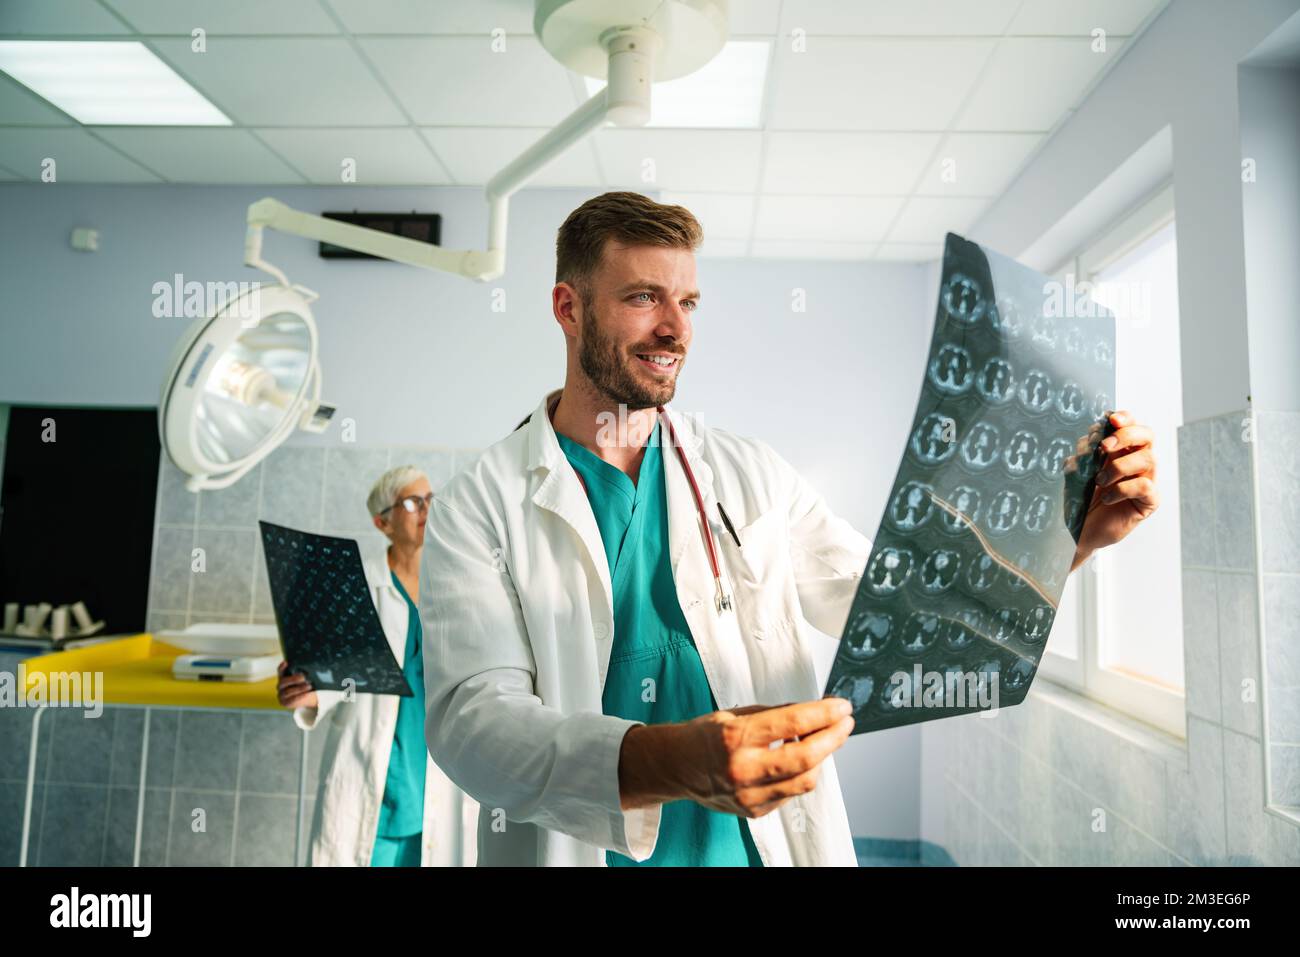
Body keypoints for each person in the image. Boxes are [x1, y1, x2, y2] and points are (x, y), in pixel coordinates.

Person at [419, 191, 1160, 867]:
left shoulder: (749, 472)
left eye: (688, 301)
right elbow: (473, 725)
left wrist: (1069, 539)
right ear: (569, 308)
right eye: (644, 297)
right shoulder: (480, 504)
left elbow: (896, 610)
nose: (675, 328)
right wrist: (673, 762)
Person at [276, 465, 477, 866]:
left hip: (437, 780)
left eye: (430, 499)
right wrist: (305, 689)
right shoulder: (355, 589)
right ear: (382, 523)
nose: (426, 509)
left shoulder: (459, 587)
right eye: (412, 502)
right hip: (375, 778)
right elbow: (333, 676)